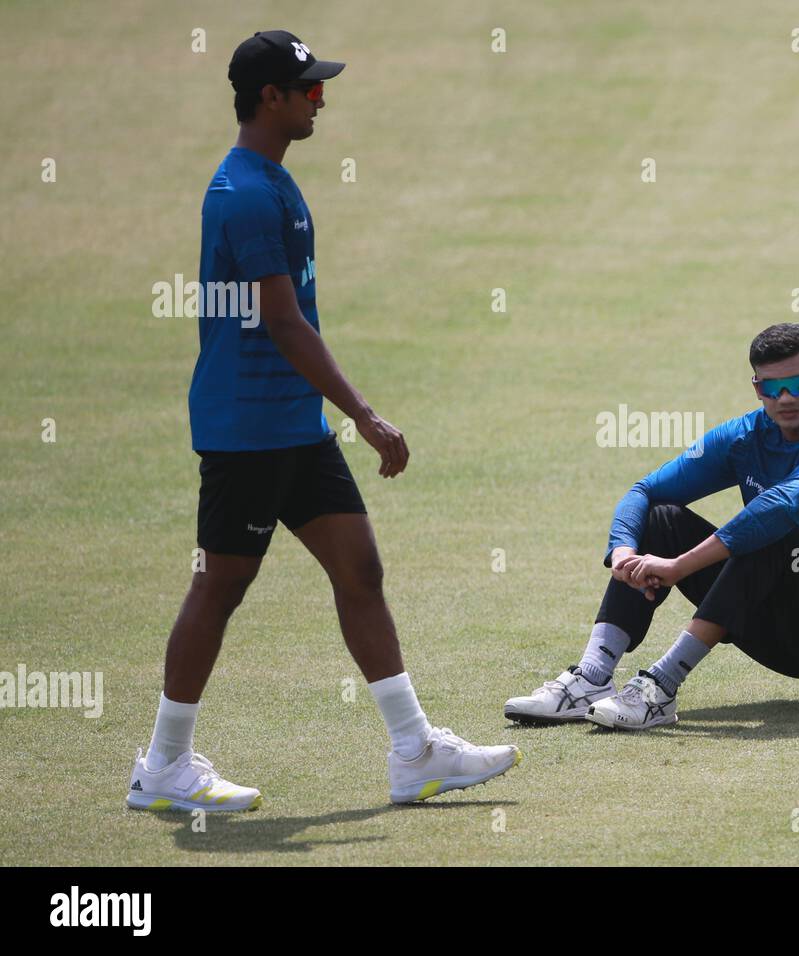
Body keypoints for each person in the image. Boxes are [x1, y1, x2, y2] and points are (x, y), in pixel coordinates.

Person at [127, 31, 519, 812]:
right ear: (268, 97)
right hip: (247, 430)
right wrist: (366, 416)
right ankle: (163, 767)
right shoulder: (243, 193)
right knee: (220, 586)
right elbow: (283, 322)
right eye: (307, 89)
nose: (321, 99)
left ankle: (413, 754)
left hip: (293, 427)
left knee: (359, 571)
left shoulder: (271, 180)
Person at [505, 323, 799, 730]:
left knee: (773, 528)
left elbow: (780, 508)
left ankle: (660, 688)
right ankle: (591, 678)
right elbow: (645, 490)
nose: (786, 397)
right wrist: (622, 552)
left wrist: (678, 568)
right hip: (783, 639)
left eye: (798, 383)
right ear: (757, 388)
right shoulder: (744, 436)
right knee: (661, 517)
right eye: (771, 388)